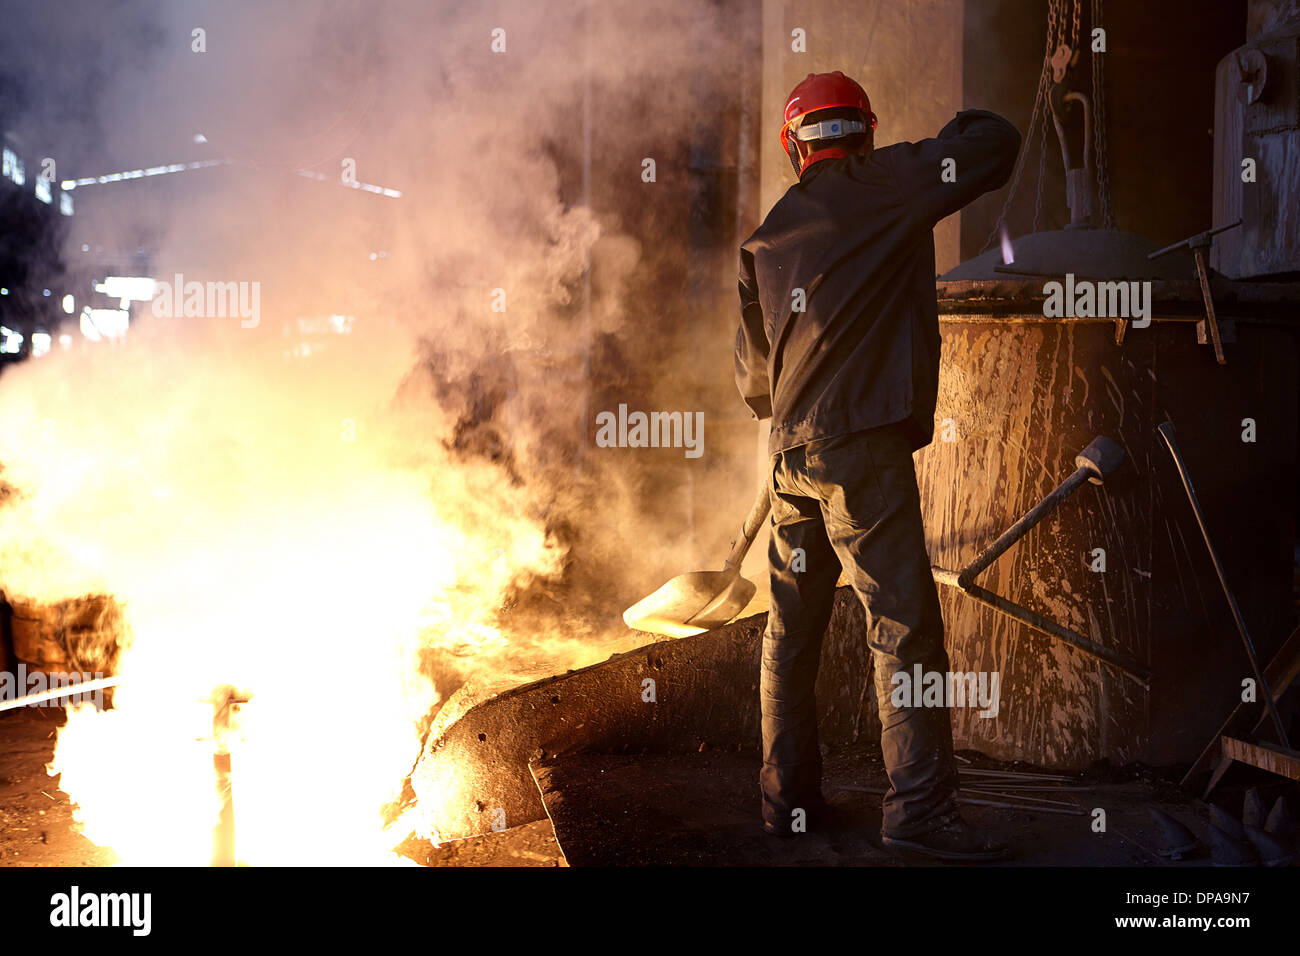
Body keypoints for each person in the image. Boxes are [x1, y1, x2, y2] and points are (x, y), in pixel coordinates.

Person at [734, 71, 1021, 860]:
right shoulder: (889, 179)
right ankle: (920, 814)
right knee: (902, 629)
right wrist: (949, 124)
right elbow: (995, 143)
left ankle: (785, 801)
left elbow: (752, 384)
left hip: (791, 459)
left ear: (794, 147)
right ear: (860, 132)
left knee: (790, 632)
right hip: (860, 447)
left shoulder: (764, 238)